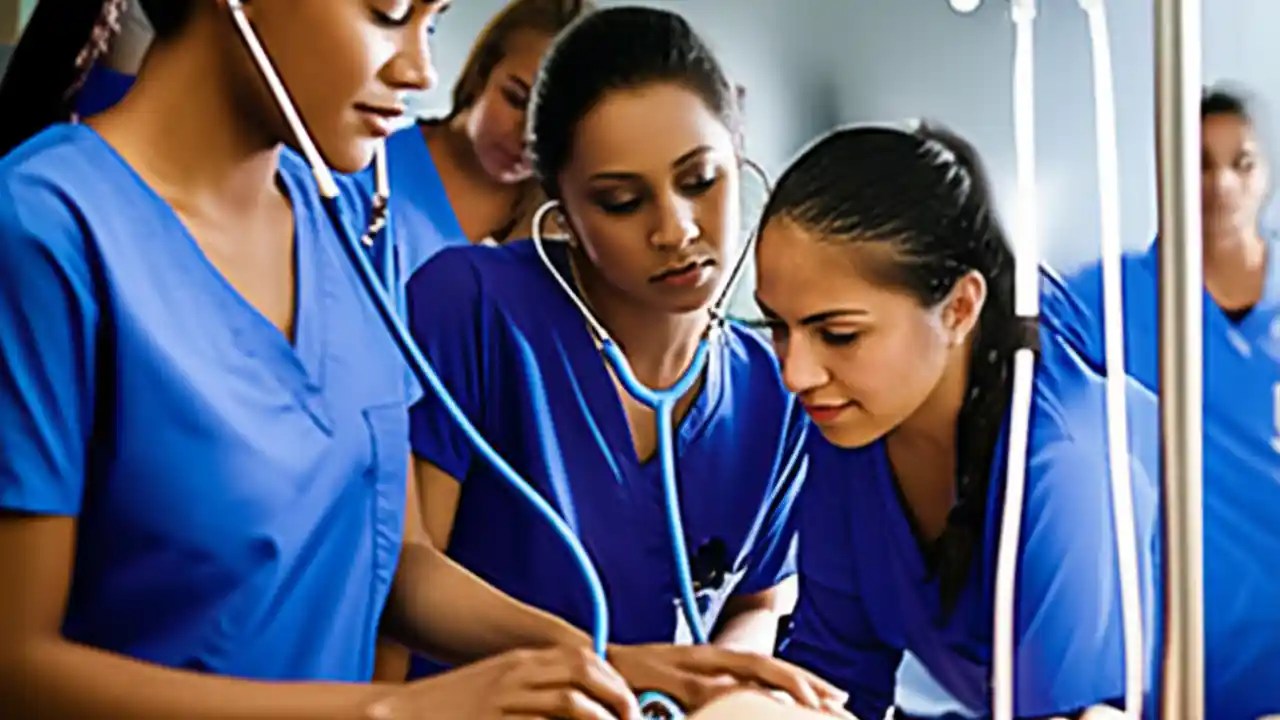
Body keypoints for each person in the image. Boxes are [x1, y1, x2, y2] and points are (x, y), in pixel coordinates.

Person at [0, 1, 820, 717]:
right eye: (389, 14)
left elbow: (393, 557)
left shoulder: (349, 231)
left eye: (434, 23)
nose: (421, 68)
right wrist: (397, 710)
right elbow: (16, 672)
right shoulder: (47, 228)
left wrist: (594, 660)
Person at [403, 6, 845, 715]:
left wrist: (724, 682)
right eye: (619, 201)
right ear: (564, 208)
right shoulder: (471, 308)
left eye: (701, 181)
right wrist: (604, 664)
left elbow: (761, 597)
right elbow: (407, 573)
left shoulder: (774, 393)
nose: (675, 230)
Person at [753, 123, 1160, 719]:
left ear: (960, 308)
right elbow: (831, 677)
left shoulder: (1066, 463)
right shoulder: (851, 431)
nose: (796, 373)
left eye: (838, 334)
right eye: (777, 328)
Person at [1066, 87, 1280, 720]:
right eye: (1199, 164)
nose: (1220, 184)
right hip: (1168, 618)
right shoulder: (1109, 295)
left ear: (1266, 173)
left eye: (1240, 162)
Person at [380, 0, 593, 271]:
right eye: (516, 99)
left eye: (555, 126)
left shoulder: (559, 243)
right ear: (482, 73)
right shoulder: (375, 158)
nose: (529, 136)